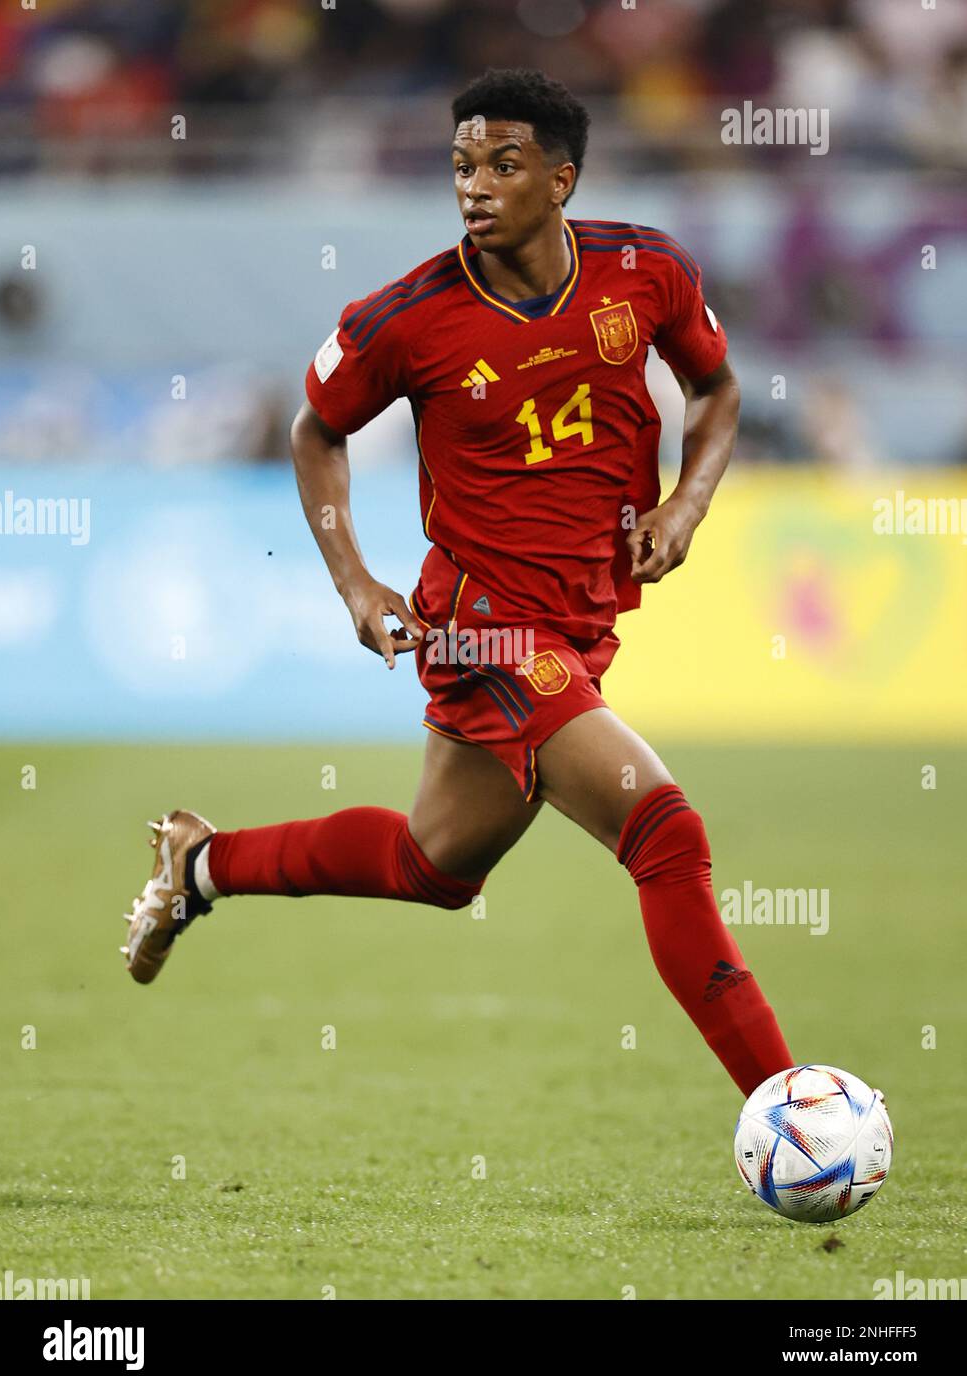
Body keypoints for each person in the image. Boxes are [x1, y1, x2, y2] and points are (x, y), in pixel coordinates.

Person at [123, 68, 793, 1097]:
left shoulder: (644, 271)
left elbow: (715, 388)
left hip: (580, 619)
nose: (474, 186)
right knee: (665, 831)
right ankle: (788, 1103)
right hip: (481, 626)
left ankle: (199, 864)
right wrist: (354, 581)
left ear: (560, 179)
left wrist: (684, 506)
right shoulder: (410, 317)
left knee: (433, 867)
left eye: (502, 164)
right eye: (461, 166)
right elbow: (315, 429)